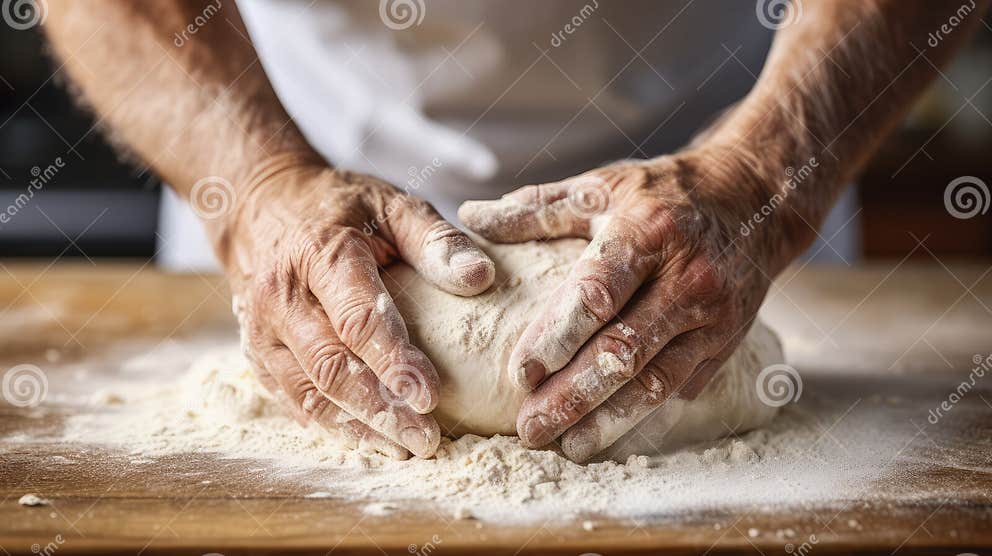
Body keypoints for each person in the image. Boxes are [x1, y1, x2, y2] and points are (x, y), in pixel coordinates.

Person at [43, 0, 988, 462]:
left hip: (734, 168)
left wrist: (762, 175)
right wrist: (255, 187)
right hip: (299, 159)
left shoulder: (752, 180)